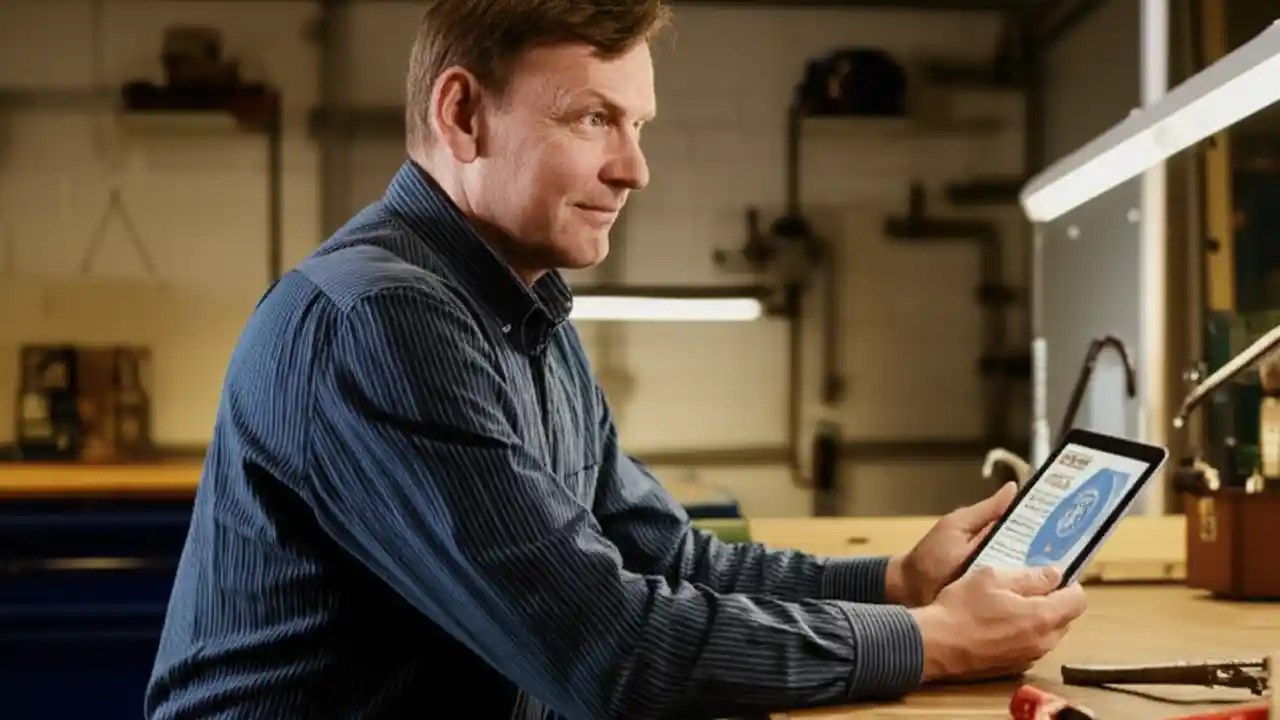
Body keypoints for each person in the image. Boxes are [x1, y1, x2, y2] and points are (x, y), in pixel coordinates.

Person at [144, 1, 1088, 718]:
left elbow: (666, 558)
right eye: (594, 120)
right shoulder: (384, 321)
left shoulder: (519, 308)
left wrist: (895, 584)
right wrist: (929, 645)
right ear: (464, 113)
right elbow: (600, 649)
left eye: (637, 127)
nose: (634, 169)